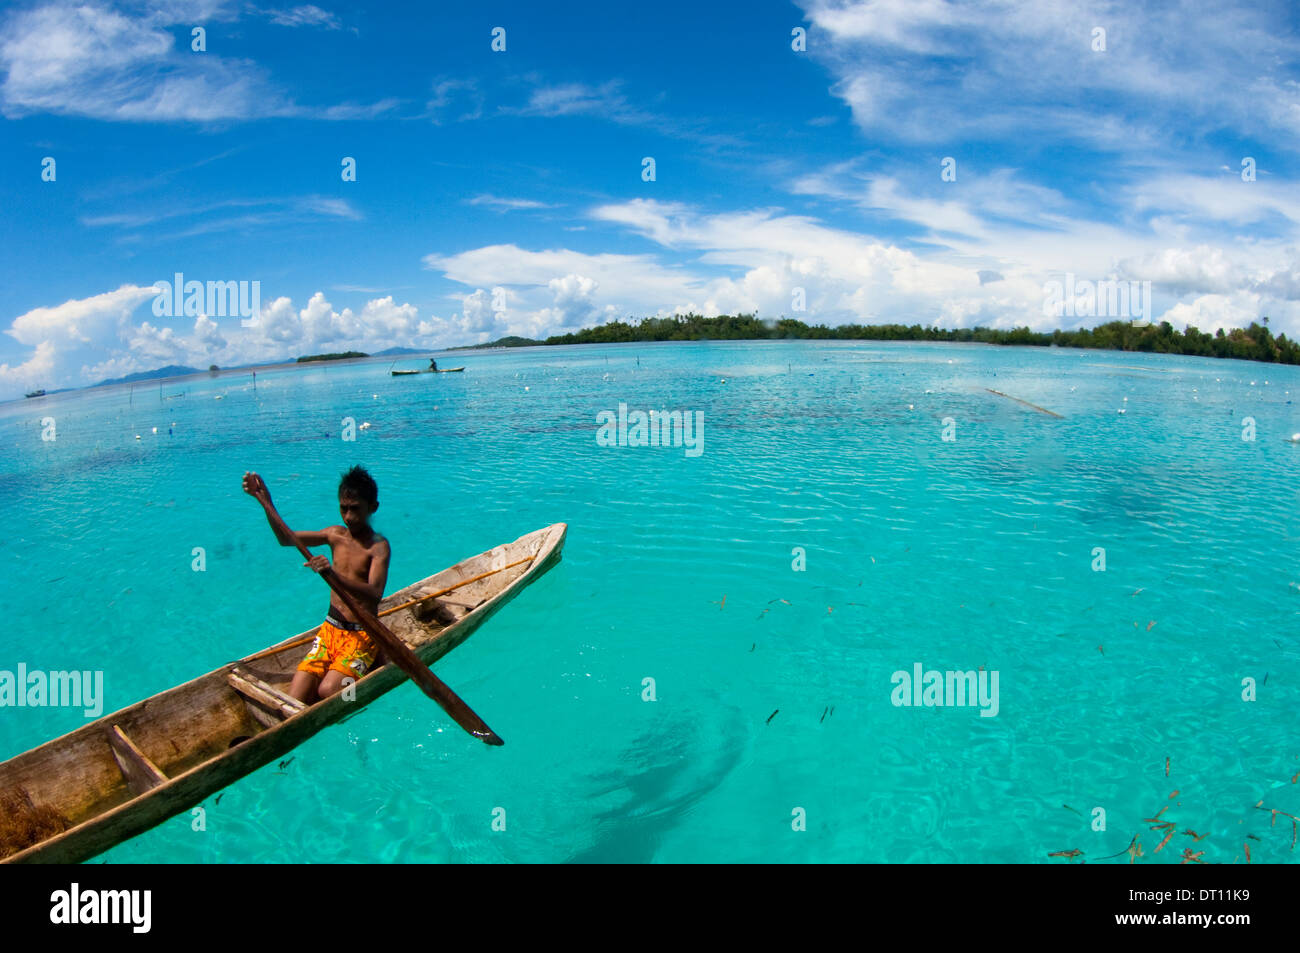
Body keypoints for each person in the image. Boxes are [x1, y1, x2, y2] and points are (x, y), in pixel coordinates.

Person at [241, 466, 391, 704]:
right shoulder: (334, 535)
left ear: (373, 508)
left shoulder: (378, 546)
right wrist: (266, 502)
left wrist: (332, 574)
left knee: (327, 691)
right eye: (344, 508)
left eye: (356, 509)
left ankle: (372, 660)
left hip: (361, 634)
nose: (349, 517)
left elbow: (374, 595)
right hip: (330, 630)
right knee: (295, 695)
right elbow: (285, 539)